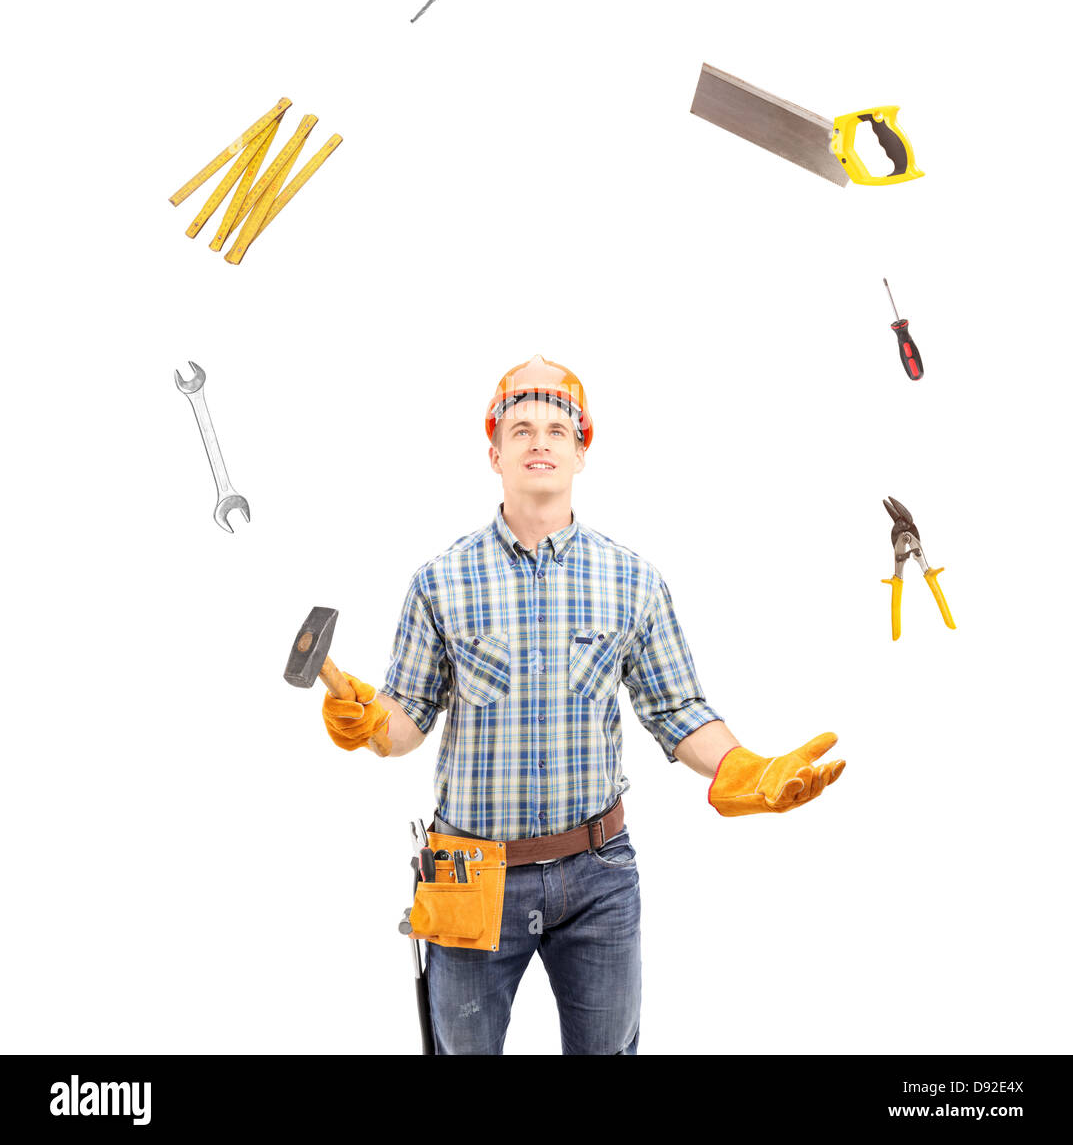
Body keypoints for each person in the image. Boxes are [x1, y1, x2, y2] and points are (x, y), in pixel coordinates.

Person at [321, 355, 845, 1055]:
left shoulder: (630, 579)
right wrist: (367, 723)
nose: (540, 441)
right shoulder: (439, 581)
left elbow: (678, 708)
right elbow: (406, 716)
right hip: (470, 874)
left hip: (597, 877)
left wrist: (742, 765)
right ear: (494, 453)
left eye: (557, 429)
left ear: (580, 450)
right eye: (521, 429)